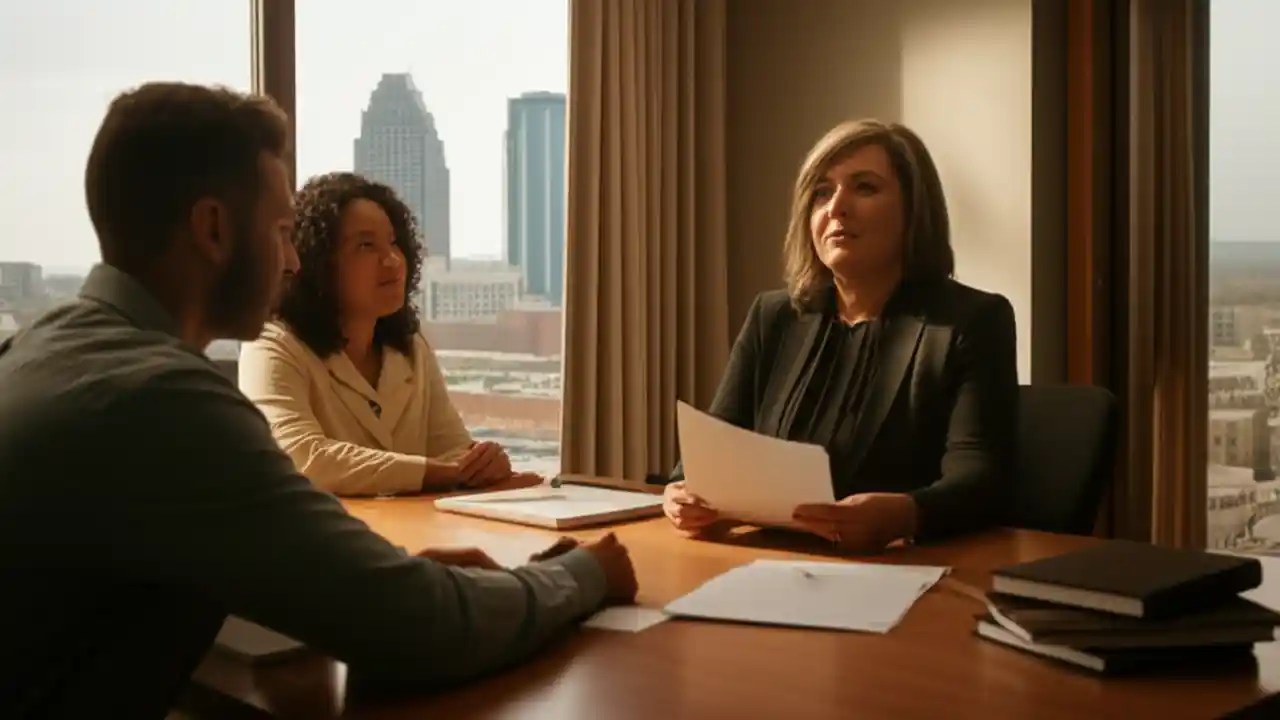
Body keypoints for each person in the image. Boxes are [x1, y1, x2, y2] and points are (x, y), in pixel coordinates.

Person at [0, 82, 636, 719]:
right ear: (213, 228)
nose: (291, 261)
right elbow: (418, 631)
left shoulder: (38, 352)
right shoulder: (162, 402)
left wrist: (382, 576)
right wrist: (582, 576)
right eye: (280, 231)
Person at [662, 119, 1018, 553]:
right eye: (822, 192)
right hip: (765, 559)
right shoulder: (773, 317)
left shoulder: (973, 321)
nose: (836, 208)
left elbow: (979, 480)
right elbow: (713, 449)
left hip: (901, 568)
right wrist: (682, 491)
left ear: (914, 209)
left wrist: (904, 514)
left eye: (864, 188)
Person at [238, 172, 531, 496]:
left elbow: (451, 450)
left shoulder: (411, 348)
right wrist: (444, 472)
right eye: (366, 246)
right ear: (319, 262)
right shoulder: (272, 348)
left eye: (393, 242)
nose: (392, 260)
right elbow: (305, 460)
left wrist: (483, 465)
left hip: (412, 536)